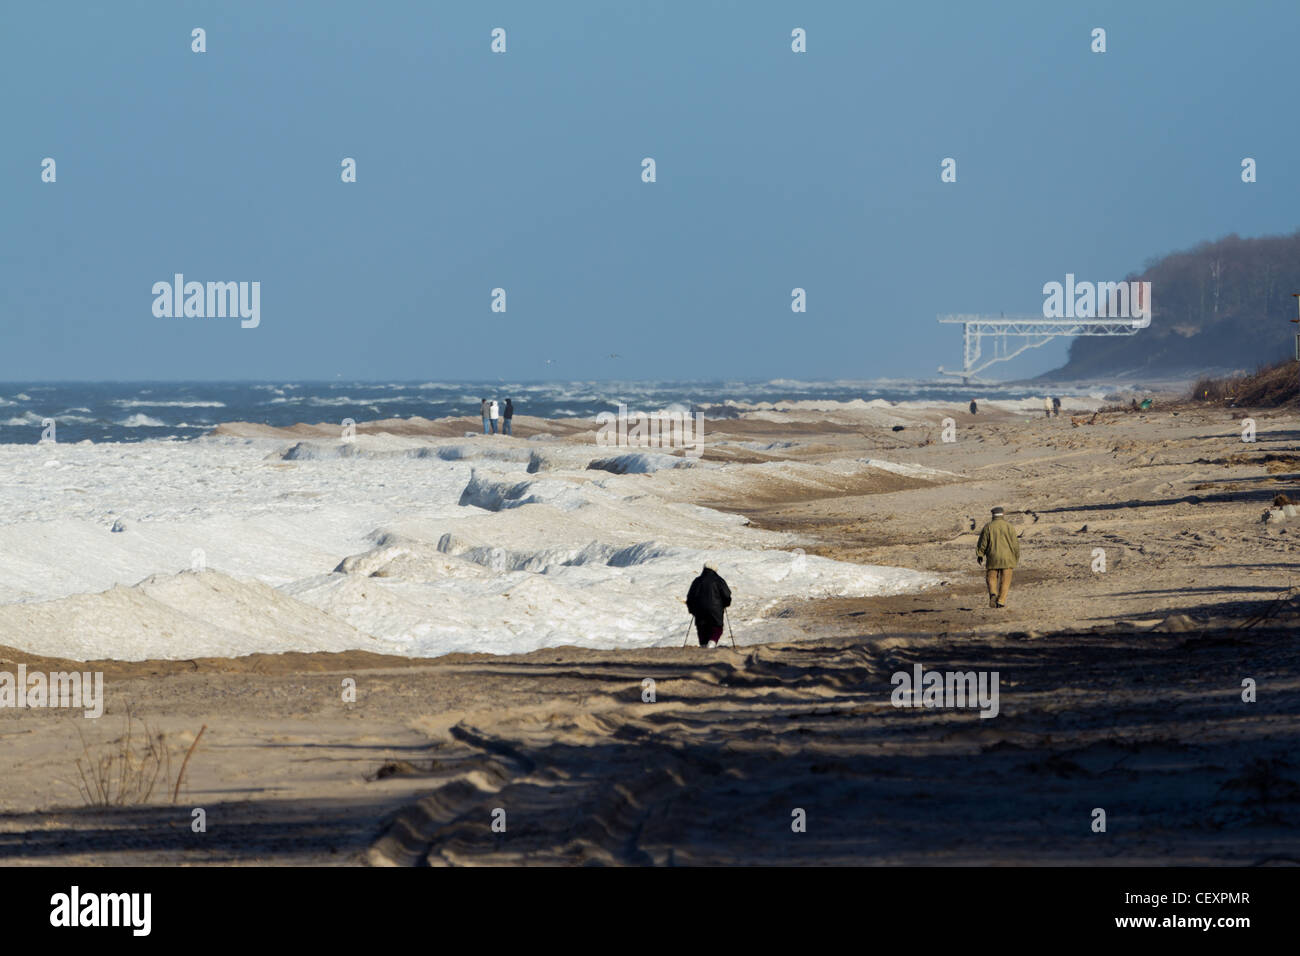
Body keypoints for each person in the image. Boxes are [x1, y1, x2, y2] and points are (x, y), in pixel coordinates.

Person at [976, 506, 1019, 609]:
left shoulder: (988, 527)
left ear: (992, 515)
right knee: (1005, 580)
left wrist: (980, 554)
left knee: (991, 577)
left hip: (992, 557)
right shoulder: (1009, 526)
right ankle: (1001, 601)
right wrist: (1016, 557)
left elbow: (983, 543)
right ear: (1003, 514)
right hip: (1007, 558)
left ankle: (993, 593)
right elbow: (1015, 544)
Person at [686, 564, 731, 648]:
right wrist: (725, 604)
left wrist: (692, 609)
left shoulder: (697, 581)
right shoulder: (719, 580)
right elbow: (727, 595)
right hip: (716, 609)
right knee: (716, 627)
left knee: (702, 627)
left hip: (699, 609)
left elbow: (690, 597)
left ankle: (703, 645)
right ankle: (712, 642)